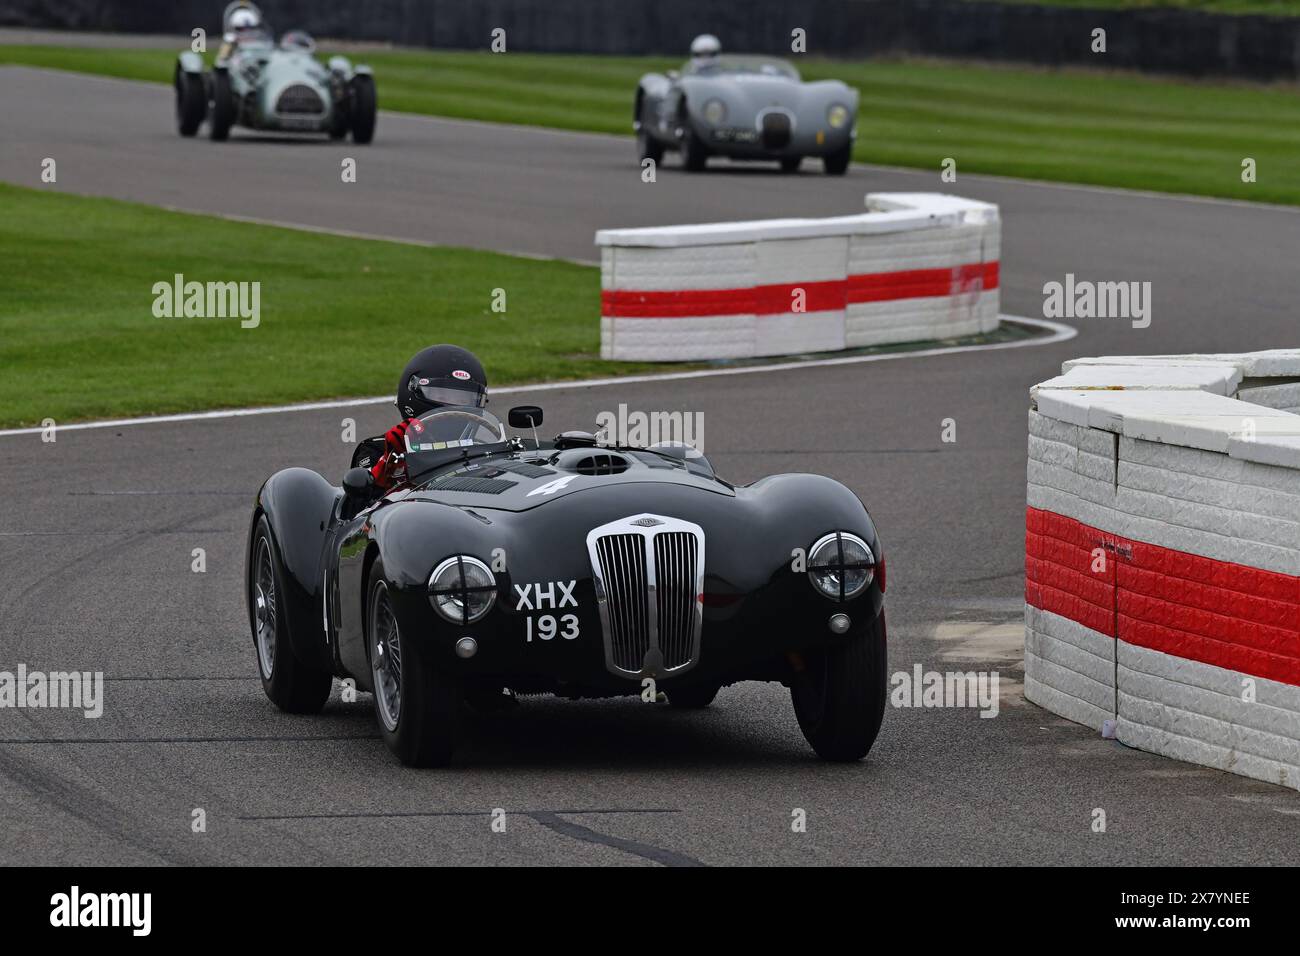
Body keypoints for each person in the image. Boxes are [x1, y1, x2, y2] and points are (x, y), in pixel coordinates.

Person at [369, 345, 490, 489]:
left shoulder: (485, 451)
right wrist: (390, 462)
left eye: (463, 400)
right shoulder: (375, 449)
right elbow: (360, 501)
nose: (453, 407)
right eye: (441, 396)